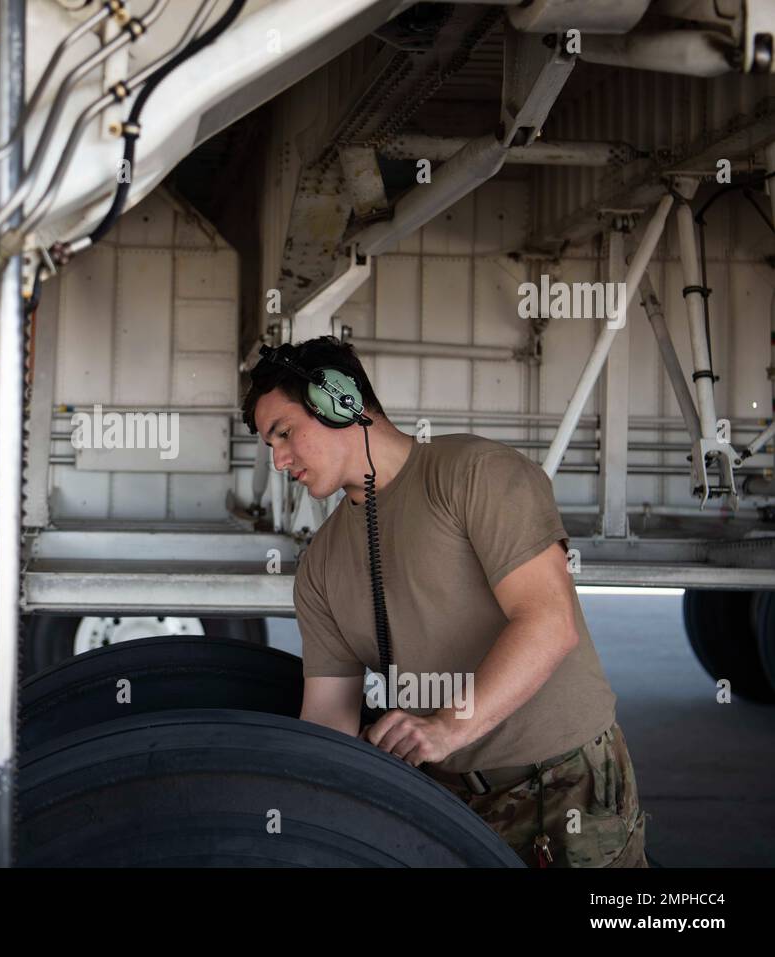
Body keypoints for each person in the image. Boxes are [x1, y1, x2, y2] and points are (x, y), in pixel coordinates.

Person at [241, 335, 648, 868]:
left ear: (339, 399)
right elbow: (328, 717)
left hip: (563, 786)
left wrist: (446, 727)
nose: (278, 460)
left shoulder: (476, 473)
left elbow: (549, 622)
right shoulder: (319, 566)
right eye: (269, 445)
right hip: (443, 803)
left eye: (284, 433)